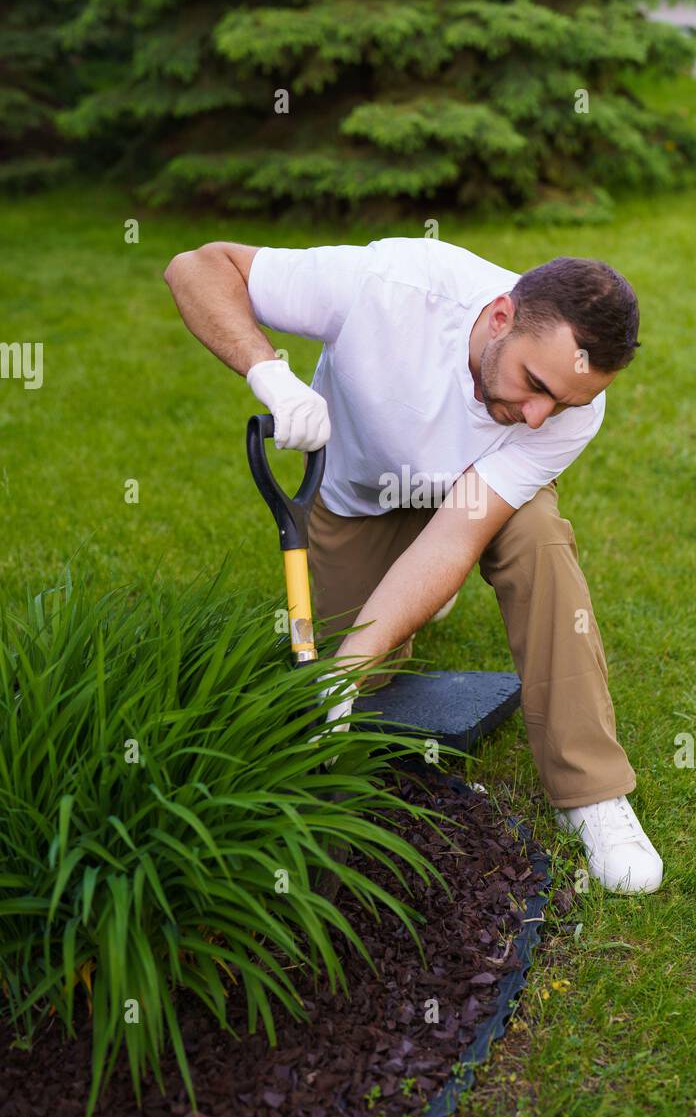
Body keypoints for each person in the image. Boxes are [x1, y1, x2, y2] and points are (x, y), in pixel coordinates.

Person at [164, 236, 663, 894]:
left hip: (470, 499)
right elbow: (196, 267)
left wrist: (345, 668)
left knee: (536, 537)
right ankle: (404, 605)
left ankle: (590, 791)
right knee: (352, 694)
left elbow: (456, 538)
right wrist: (270, 375)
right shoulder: (388, 286)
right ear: (499, 318)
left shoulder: (572, 407)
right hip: (360, 501)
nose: (540, 418)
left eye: (561, 404)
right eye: (535, 385)